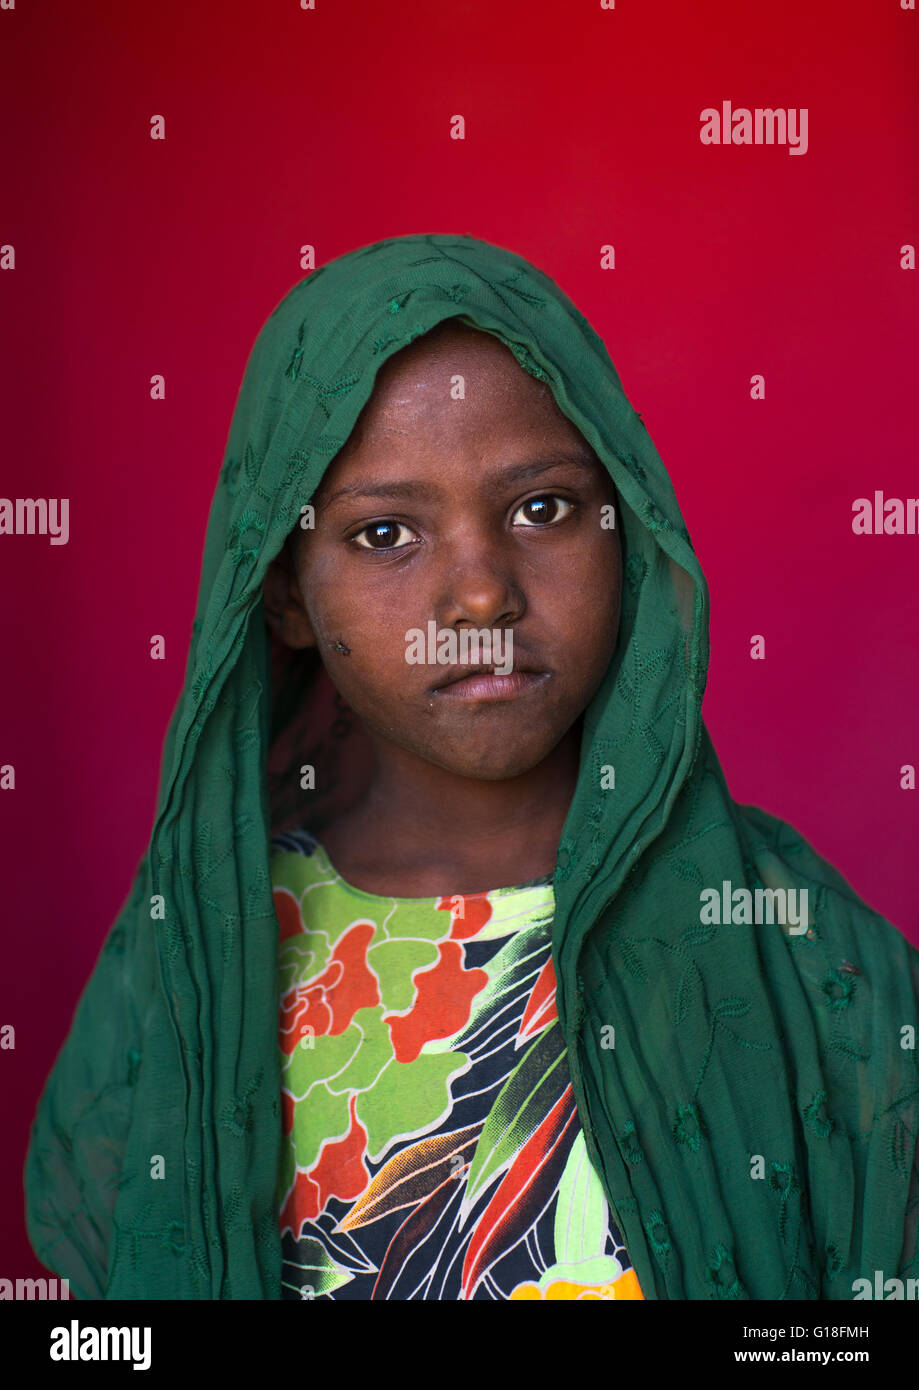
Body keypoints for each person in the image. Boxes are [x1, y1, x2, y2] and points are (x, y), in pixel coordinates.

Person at [24, 232, 919, 1301]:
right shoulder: (200, 957)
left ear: (627, 530)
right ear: (284, 596)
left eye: (541, 508)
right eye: (385, 532)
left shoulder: (785, 939)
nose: (482, 594)